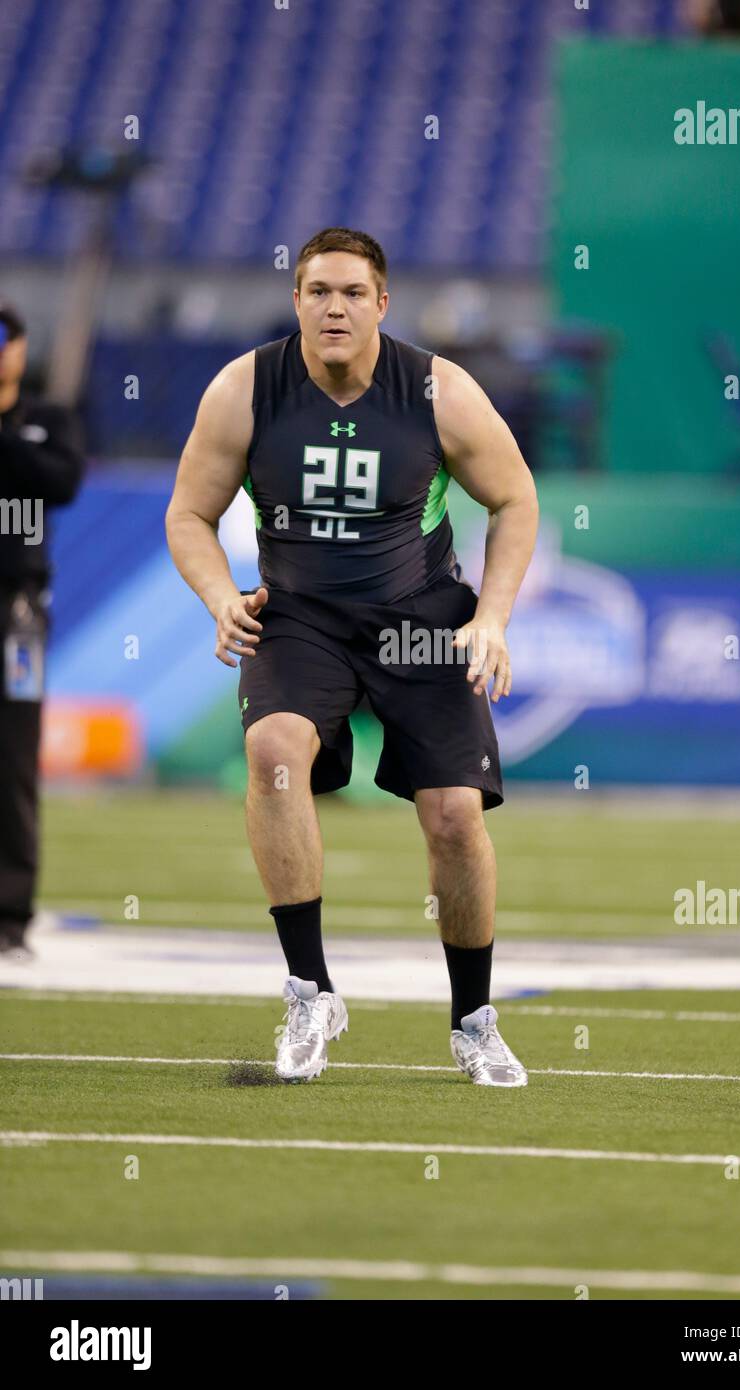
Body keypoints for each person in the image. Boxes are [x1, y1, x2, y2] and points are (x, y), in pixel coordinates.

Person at [166, 228, 538, 1086]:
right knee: (272, 754)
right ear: (296, 300)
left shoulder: (440, 391)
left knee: (453, 815)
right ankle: (308, 991)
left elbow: (516, 499)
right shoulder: (245, 389)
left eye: (352, 293)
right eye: (318, 291)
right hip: (299, 616)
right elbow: (189, 514)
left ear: (382, 304)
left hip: (420, 618)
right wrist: (222, 597)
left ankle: (474, 1022)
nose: (334, 307)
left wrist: (493, 617)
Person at [0, 302, 86, 955]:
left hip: (17, 609)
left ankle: (10, 915)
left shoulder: (46, 419)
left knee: (13, 757)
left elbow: (60, 481)